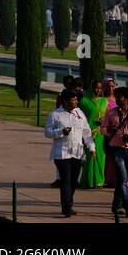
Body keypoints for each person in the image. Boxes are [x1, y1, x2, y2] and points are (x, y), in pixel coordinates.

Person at [45, 89, 95, 218]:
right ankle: (66, 208)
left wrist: (92, 147)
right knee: (66, 180)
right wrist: (61, 131)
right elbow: (47, 132)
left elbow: (86, 132)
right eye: (74, 100)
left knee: (73, 181)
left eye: (76, 99)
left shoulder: (79, 113)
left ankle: (68, 204)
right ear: (66, 102)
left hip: (77, 152)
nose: (76, 101)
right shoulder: (55, 114)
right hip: (61, 153)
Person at [100, 87, 128, 218]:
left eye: (119, 97)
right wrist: (109, 129)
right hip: (116, 149)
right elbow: (102, 129)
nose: (117, 99)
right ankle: (127, 205)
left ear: (126, 98)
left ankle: (116, 205)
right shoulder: (111, 113)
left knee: (121, 179)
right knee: (123, 178)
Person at [78, 79, 108, 189]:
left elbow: (108, 117)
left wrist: (103, 121)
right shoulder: (84, 101)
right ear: (91, 88)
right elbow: (80, 118)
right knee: (90, 156)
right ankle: (88, 180)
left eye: (100, 88)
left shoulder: (104, 101)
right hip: (88, 133)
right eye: (96, 88)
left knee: (100, 157)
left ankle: (99, 180)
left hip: (100, 134)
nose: (98, 90)